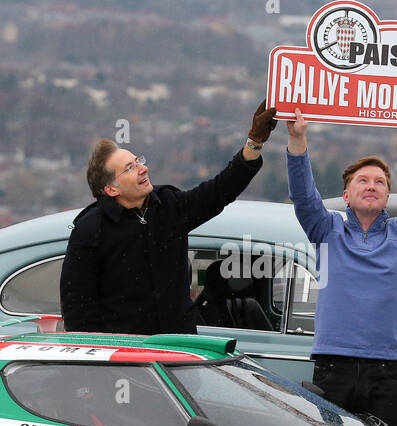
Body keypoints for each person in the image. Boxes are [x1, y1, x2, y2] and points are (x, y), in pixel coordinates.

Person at [286, 108, 397, 426]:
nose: (372, 185)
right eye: (362, 180)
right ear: (346, 194)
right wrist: (298, 140)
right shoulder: (327, 231)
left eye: (380, 182)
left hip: (388, 371)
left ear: (387, 196)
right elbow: (303, 197)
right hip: (333, 367)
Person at [59, 102, 278, 335]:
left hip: (178, 349)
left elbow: (219, 191)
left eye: (138, 161)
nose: (142, 169)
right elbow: (77, 310)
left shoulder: (168, 205)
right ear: (111, 189)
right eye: (130, 168)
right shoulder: (90, 230)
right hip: (127, 356)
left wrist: (254, 142)